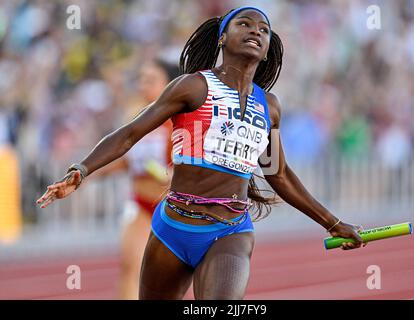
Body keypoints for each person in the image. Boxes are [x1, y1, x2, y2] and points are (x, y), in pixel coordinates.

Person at [37, 6, 366, 300]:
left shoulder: (270, 107)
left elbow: (278, 173)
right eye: (245, 24)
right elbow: (130, 133)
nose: (255, 31)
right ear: (222, 38)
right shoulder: (193, 87)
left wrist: (332, 222)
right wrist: (82, 169)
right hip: (173, 227)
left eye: (264, 30)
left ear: (267, 51)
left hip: (230, 230)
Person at [89, 60, 178, 299]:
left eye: (150, 80)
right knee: (130, 268)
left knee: (165, 280)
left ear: (170, 86)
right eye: (141, 79)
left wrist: (171, 176)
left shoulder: (182, 121)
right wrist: (85, 174)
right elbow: (127, 160)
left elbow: (194, 168)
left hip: (171, 211)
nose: (142, 86)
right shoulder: (136, 118)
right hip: (140, 204)